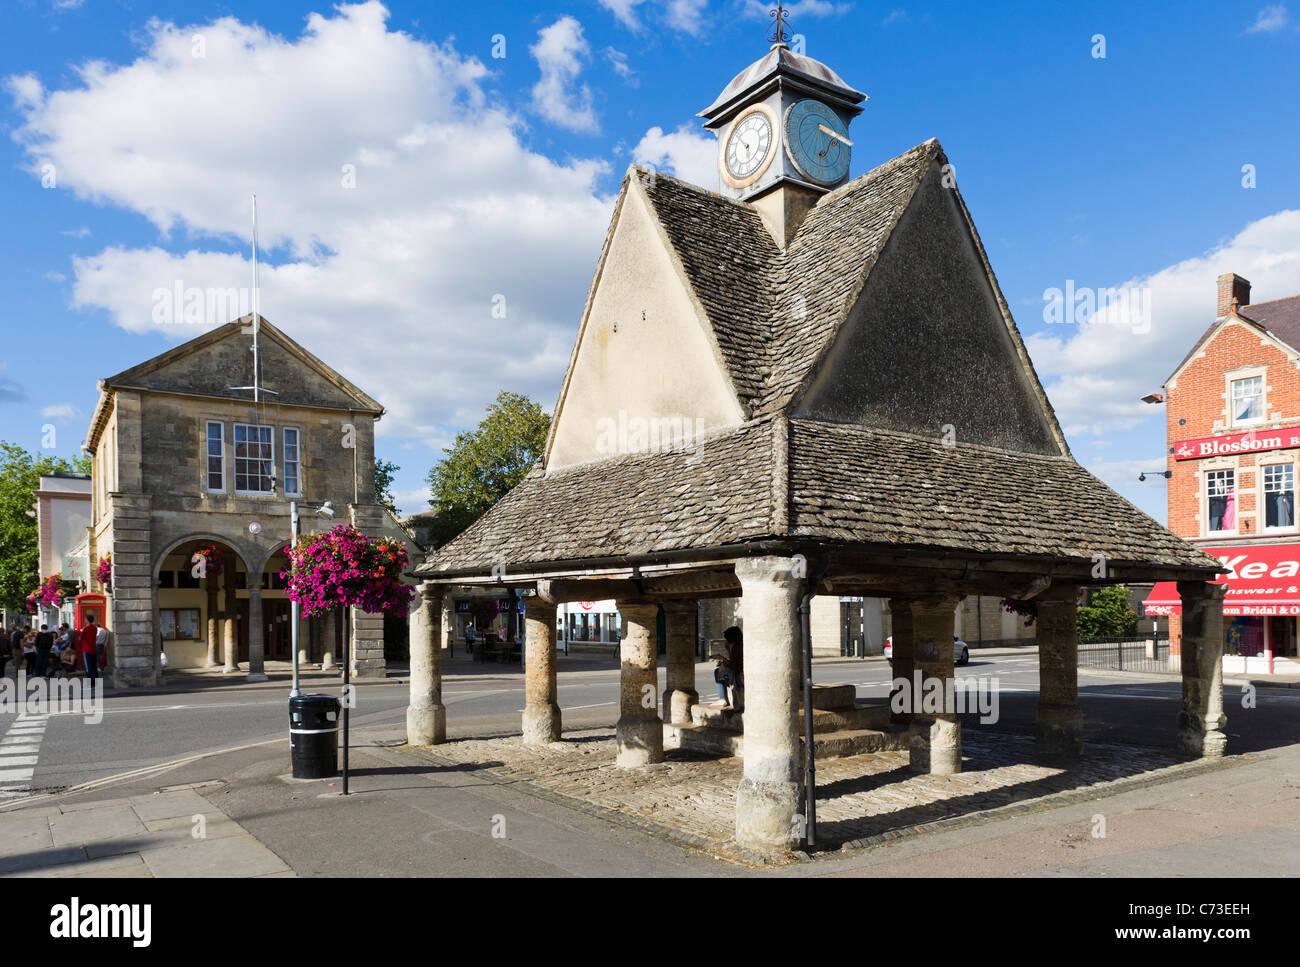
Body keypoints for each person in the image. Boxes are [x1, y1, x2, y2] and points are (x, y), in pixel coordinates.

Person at [710, 625, 744, 709]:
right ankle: (723, 699)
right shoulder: (737, 646)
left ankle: (723, 699)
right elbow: (733, 662)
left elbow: (734, 666)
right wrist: (724, 660)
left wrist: (723, 660)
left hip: (739, 675)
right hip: (738, 672)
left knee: (718, 672)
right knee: (719, 671)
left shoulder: (737, 647)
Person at [78, 615, 101, 682]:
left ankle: (90, 682)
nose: (84, 620)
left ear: (87, 620)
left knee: (88, 666)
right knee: (94, 666)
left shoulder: (86, 628)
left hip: (87, 649)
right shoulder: (95, 628)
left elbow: (80, 638)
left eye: (85, 619)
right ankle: (95, 682)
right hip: (93, 648)